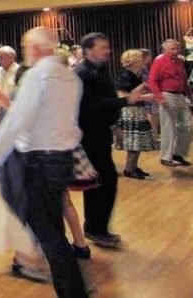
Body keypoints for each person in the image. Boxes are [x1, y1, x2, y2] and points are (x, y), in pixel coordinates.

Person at [0, 27, 88, 297]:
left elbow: (18, 119)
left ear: (38, 49)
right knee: (52, 226)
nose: (25, 52)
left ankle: (73, 291)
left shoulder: (37, 76)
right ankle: (71, 286)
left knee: (47, 232)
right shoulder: (69, 76)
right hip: (61, 160)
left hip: (40, 161)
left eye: (27, 47)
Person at [75, 33, 150, 249]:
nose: (107, 51)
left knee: (99, 182)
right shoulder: (83, 74)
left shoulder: (98, 70)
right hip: (90, 135)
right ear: (88, 50)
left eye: (107, 47)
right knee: (103, 181)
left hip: (99, 133)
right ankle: (95, 228)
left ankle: (96, 227)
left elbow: (103, 101)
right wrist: (127, 100)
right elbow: (92, 107)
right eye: (102, 47)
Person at [115, 49, 160, 179]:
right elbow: (123, 95)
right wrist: (146, 96)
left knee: (138, 141)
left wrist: (145, 96)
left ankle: (134, 166)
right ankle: (129, 168)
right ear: (133, 61)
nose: (143, 61)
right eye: (140, 59)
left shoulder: (135, 75)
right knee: (134, 141)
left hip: (137, 109)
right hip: (131, 111)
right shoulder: (125, 75)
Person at [148, 39, 192, 167]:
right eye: (172, 49)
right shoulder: (159, 60)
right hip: (166, 94)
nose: (176, 51)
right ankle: (166, 157)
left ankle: (178, 154)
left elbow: (183, 79)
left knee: (187, 125)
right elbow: (152, 81)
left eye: (177, 48)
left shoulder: (179, 60)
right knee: (168, 127)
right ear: (165, 50)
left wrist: (189, 95)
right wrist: (160, 97)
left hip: (180, 95)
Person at [0, 46, 20, 121]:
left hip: (16, 111)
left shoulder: (20, 72)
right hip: (2, 110)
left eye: (1, 57)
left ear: (12, 57)